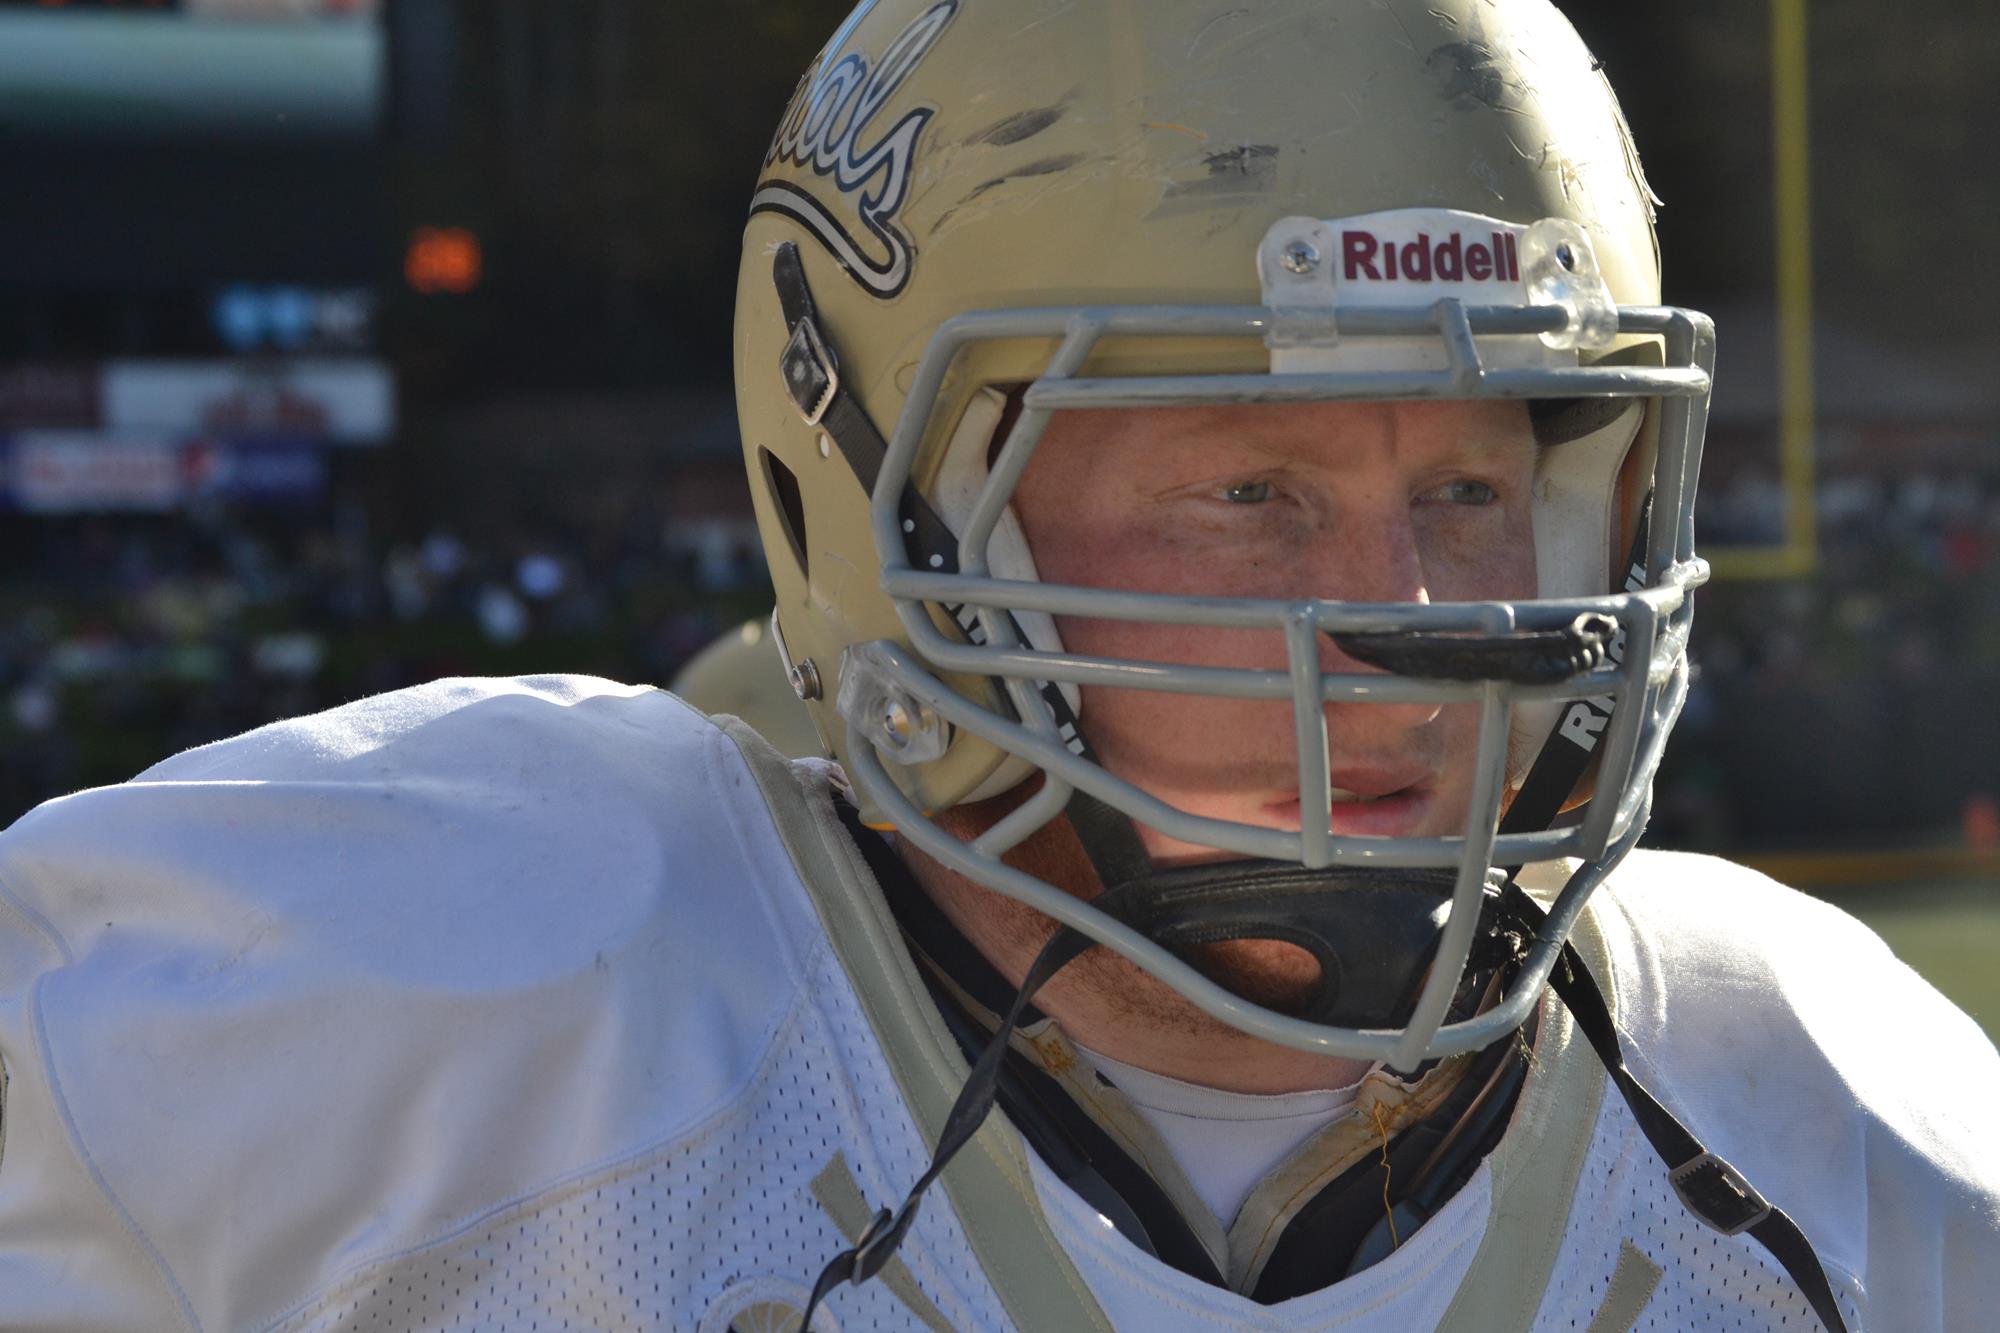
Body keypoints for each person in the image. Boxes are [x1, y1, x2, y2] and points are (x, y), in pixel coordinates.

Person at [0, 3, 1993, 1330]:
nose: (1413, 625)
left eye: (1477, 482)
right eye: (1246, 487)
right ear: (879, 494)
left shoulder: (1829, 1111)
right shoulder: (483, 1001)